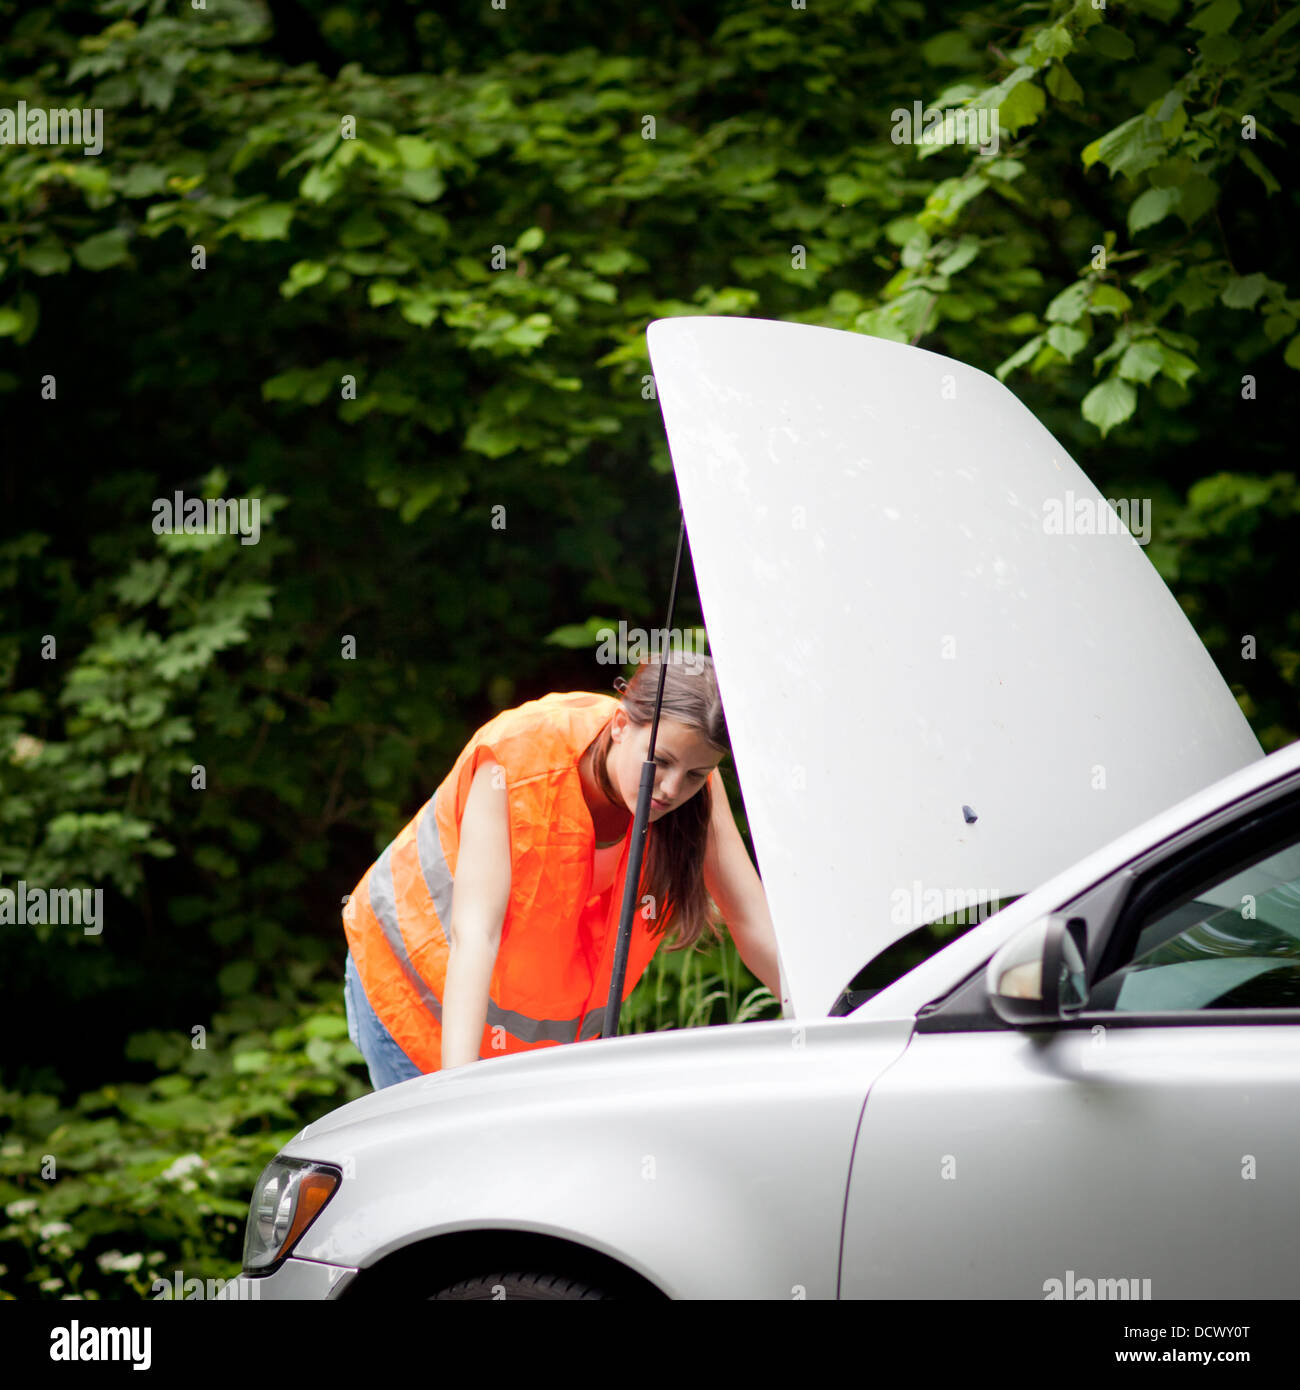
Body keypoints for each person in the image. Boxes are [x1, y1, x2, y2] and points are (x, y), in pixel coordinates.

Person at [342, 650, 782, 1090]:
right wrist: (455, 1088)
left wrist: (827, 1019)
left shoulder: (699, 787)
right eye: (661, 762)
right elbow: (477, 933)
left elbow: (750, 919)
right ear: (620, 726)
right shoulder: (517, 758)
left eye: (694, 774)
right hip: (413, 1004)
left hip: (531, 1053)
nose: (671, 789)